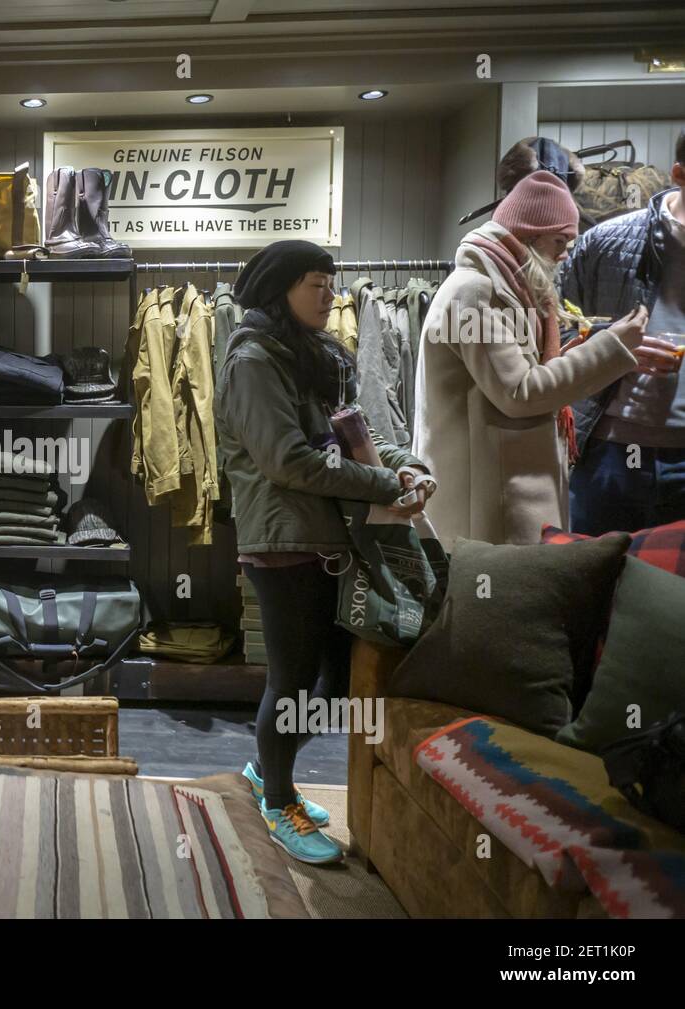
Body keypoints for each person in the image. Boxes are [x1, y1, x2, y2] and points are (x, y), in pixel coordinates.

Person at [215, 240, 434, 866]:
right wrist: (387, 485)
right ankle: (277, 795)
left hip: (329, 541)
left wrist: (406, 466)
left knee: (335, 682)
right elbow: (288, 461)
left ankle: (266, 770)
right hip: (284, 543)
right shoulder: (254, 360)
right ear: (279, 288)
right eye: (316, 282)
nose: (329, 294)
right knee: (291, 681)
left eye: (330, 282)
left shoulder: (313, 356)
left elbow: (355, 434)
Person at [412, 170, 648, 546]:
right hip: (488, 506)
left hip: (503, 493)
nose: (566, 251)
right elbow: (519, 393)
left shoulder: (507, 286)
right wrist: (611, 348)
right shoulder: (476, 292)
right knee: (497, 601)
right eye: (560, 239)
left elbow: (518, 376)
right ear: (529, 235)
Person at [562, 131, 685, 534]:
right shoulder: (605, 243)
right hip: (609, 452)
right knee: (596, 584)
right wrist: (609, 345)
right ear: (679, 175)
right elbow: (553, 337)